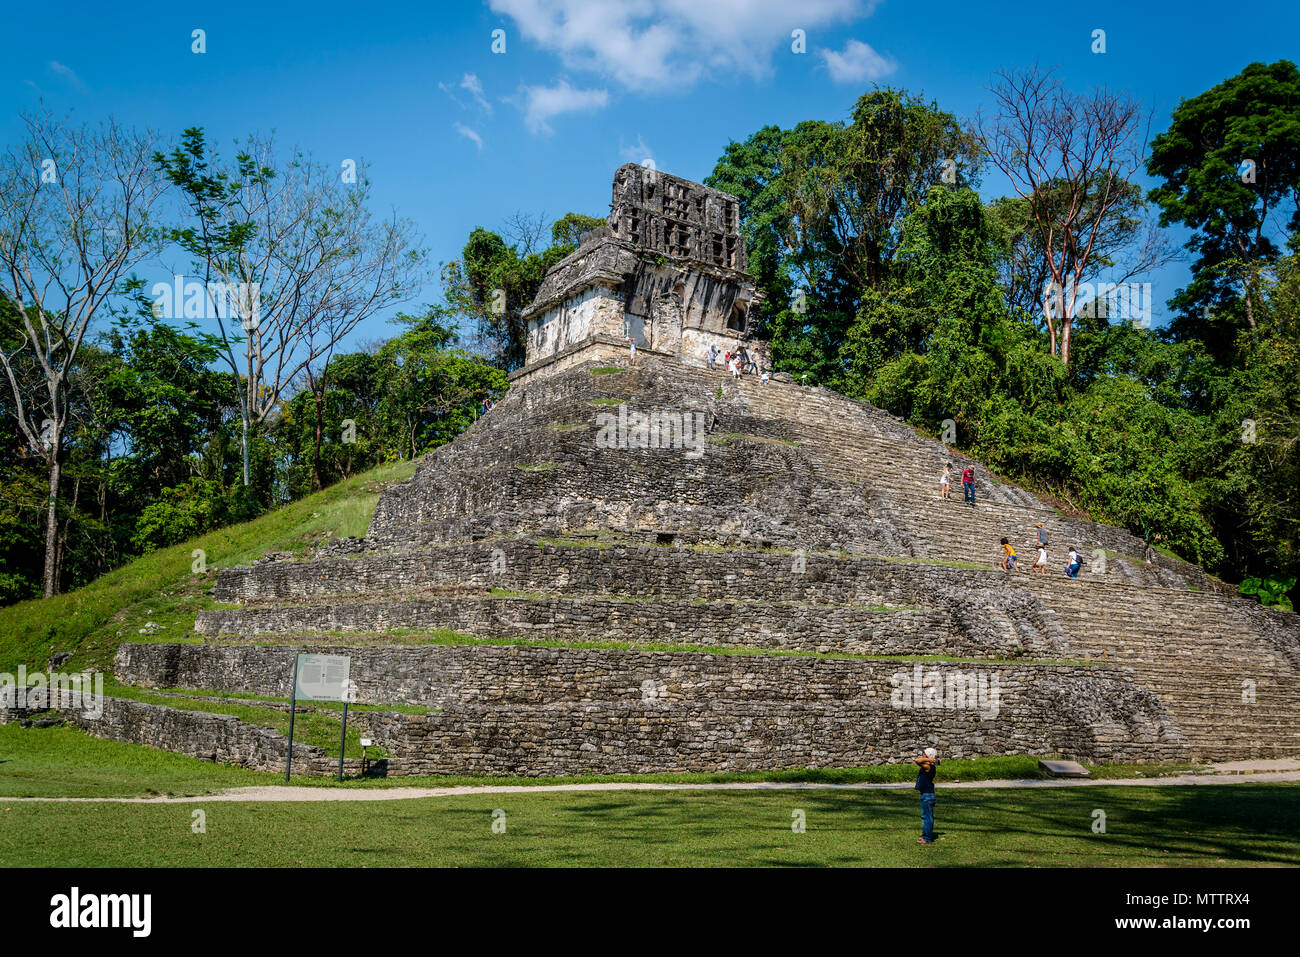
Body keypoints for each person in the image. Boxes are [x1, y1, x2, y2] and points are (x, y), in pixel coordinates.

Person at [913, 747, 939, 844]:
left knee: (926, 817)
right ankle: (926, 836)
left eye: (924, 754)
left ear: (928, 756)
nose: (922, 755)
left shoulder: (929, 767)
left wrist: (928, 760)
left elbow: (917, 760)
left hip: (927, 796)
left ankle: (927, 838)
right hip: (927, 795)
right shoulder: (927, 766)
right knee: (927, 816)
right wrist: (929, 760)